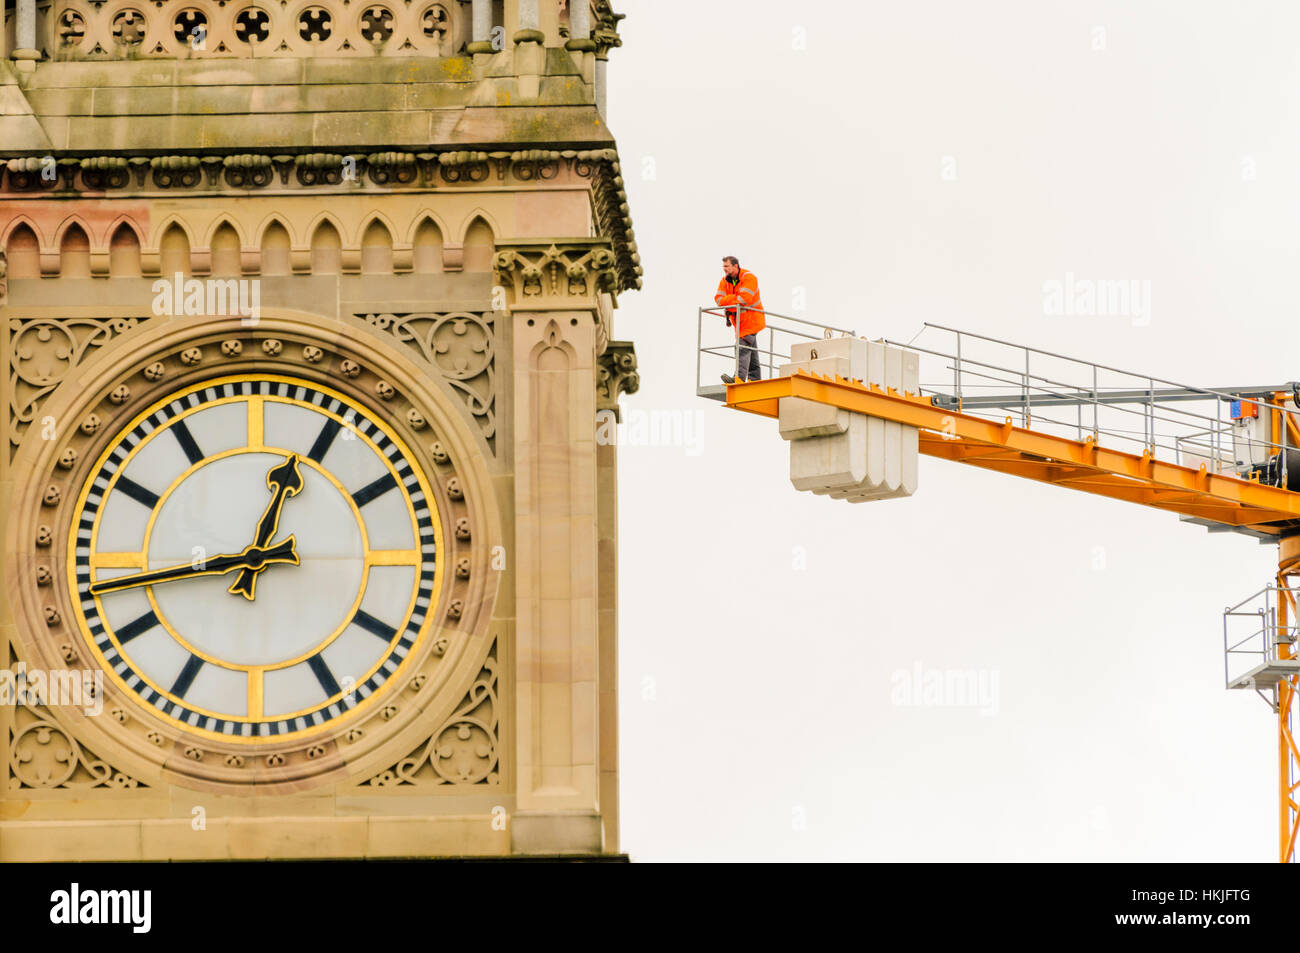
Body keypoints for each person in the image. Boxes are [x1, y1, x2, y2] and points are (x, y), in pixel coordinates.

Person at [714, 255, 765, 383]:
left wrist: (730, 301)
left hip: (752, 320)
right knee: (751, 352)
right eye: (723, 266)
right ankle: (755, 381)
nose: (724, 269)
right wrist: (734, 300)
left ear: (735, 266)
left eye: (727, 266)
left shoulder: (749, 278)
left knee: (741, 348)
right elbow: (719, 300)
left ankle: (738, 379)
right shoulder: (724, 281)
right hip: (740, 324)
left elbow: (744, 300)